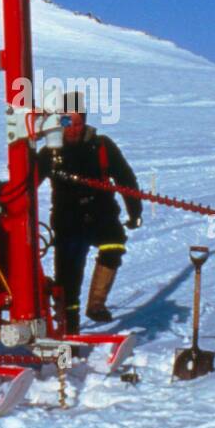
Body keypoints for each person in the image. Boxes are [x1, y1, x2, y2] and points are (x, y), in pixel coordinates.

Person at [35, 92, 142, 333]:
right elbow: (26, 185)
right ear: (58, 123)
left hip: (101, 212)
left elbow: (126, 177)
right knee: (68, 283)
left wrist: (134, 210)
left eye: (78, 123)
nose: (73, 129)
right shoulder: (50, 154)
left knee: (114, 245)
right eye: (67, 123)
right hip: (68, 220)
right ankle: (69, 333)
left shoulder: (102, 146)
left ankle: (96, 304)